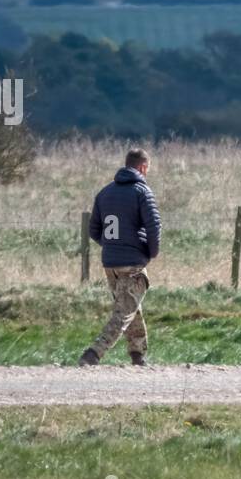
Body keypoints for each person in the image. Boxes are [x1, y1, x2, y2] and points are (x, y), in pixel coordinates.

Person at [78, 148, 161, 367]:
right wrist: (150, 252)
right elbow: (154, 226)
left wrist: (111, 245)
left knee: (131, 307)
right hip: (132, 262)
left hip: (111, 263)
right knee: (124, 312)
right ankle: (93, 354)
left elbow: (94, 229)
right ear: (143, 167)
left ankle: (138, 355)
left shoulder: (105, 193)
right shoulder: (142, 192)